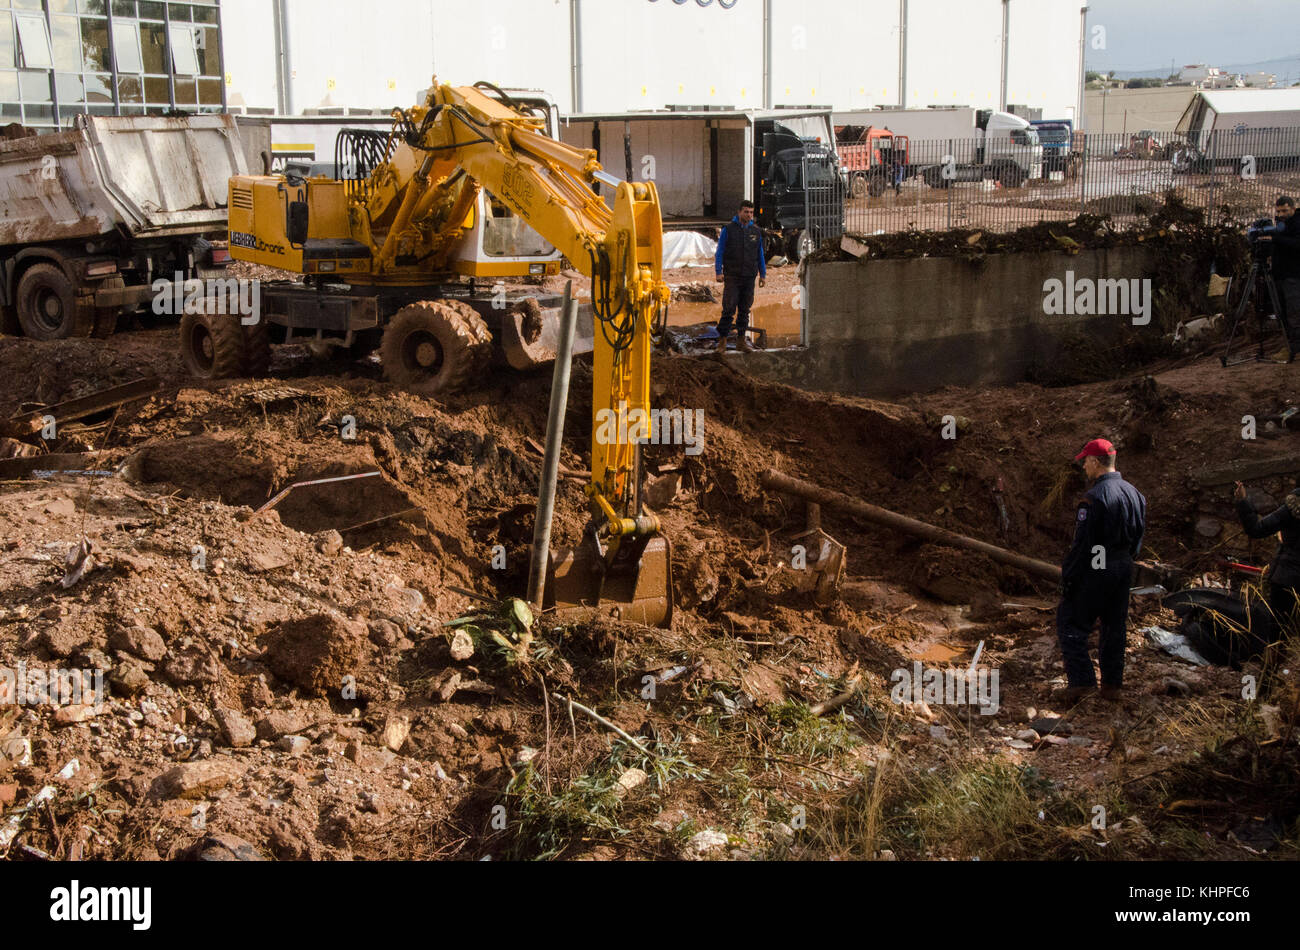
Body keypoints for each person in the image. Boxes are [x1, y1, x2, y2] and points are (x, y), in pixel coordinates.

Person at [1056, 439, 1147, 703]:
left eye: (1086, 461)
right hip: (1123, 565)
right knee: (1114, 625)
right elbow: (1139, 536)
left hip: (1097, 565)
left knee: (1070, 621)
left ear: (1096, 462)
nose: (1084, 466)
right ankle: (1111, 685)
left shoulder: (1094, 498)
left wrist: (1069, 577)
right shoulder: (1135, 493)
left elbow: (1083, 544)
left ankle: (1082, 683)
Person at [1233, 479, 1300, 635]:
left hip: (1287, 579)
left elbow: (1256, 529)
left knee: (1279, 631)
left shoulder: (1294, 506)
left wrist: (1242, 501)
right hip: (1287, 577)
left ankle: (1275, 658)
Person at [714, 200, 766, 353]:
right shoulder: (728, 230)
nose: (749, 215)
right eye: (746, 212)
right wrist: (718, 271)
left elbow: (760, 254)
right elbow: (720, 251)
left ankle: (741, 342)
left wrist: (762, 274)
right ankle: (722, 342)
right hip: (732, 276)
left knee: (745, 309)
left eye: (751, 212)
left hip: (749, 276)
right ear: (739, 212)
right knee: (729, 309)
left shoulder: (756, 232)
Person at [1259, 195, 1300, 350]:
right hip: (1279, 275)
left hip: (1293, 276)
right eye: (1279, 211)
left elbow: (1297, 244)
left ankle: (1295, 348)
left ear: (1293, 209)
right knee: (1281, 311)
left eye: (1285, 210)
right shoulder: (1280, 224)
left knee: (1294, 313)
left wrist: (1275, 238)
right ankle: (1290, 344)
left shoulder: (1297, 223)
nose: (1282, 214)